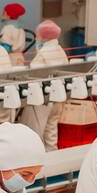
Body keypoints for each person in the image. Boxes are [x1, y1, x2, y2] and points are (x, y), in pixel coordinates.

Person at [26, 20, 70, 150]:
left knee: (36, 134)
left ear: (44, 36)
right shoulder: (59, 50)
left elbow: (33, 74)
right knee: (51, 135)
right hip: (58, 98)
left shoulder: (44, 53)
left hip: (43, 100)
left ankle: (37, 164)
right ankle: (53, 164)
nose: (36, 38)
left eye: (37, 35)